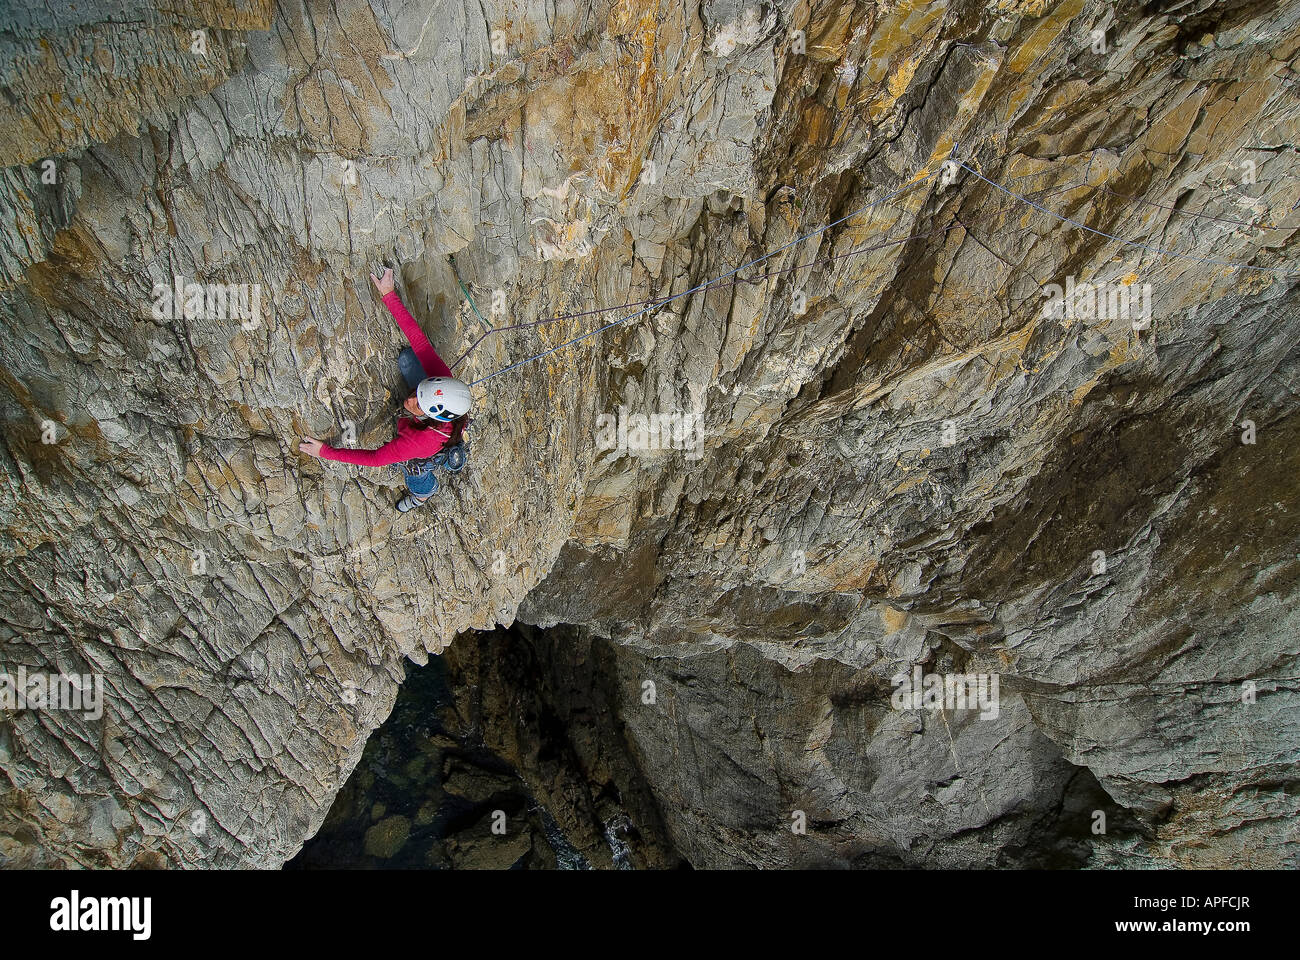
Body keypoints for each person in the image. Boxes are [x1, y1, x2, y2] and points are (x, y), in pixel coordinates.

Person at [298, 268, 471, 512]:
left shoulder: (418, 443)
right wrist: (389, 294)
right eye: (418, 392)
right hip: (439, 424)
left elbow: (376, 458)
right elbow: (419, 343)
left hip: (423, 456)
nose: (410, 399)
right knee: (408, 359)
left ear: (431, 416)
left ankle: (421, 496)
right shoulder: (442, 380)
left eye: (418, 403)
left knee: (417, 475)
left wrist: (325, 451)